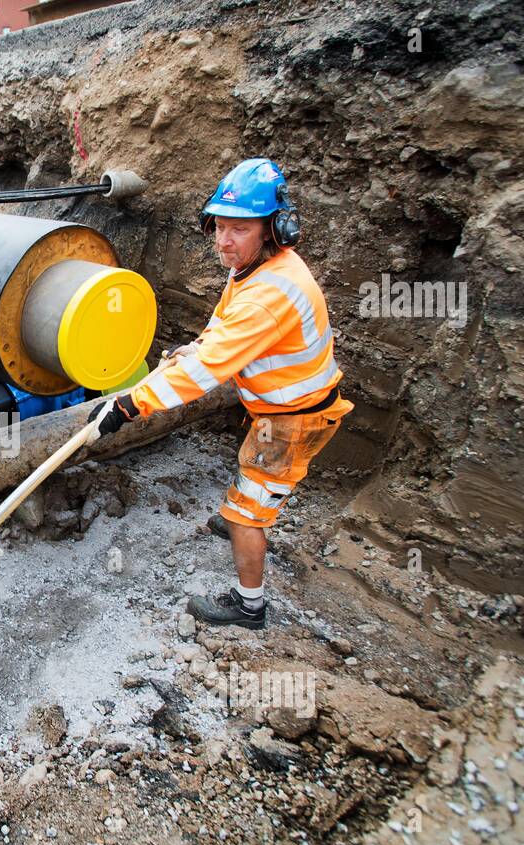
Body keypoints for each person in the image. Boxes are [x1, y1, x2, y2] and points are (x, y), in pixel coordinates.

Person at [86, 158, 353, 630]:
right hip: (276, 411)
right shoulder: (253, 267)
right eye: (220, 227)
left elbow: (208, 370)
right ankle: (240, 515)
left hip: (292, 422)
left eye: (239, 230)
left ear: (274, 230)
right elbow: (221, 329)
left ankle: (248, 606)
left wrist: (129, 404)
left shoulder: (270, 295)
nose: (224, 241)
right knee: (250, 486)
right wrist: (197, 345)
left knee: (249, 514)